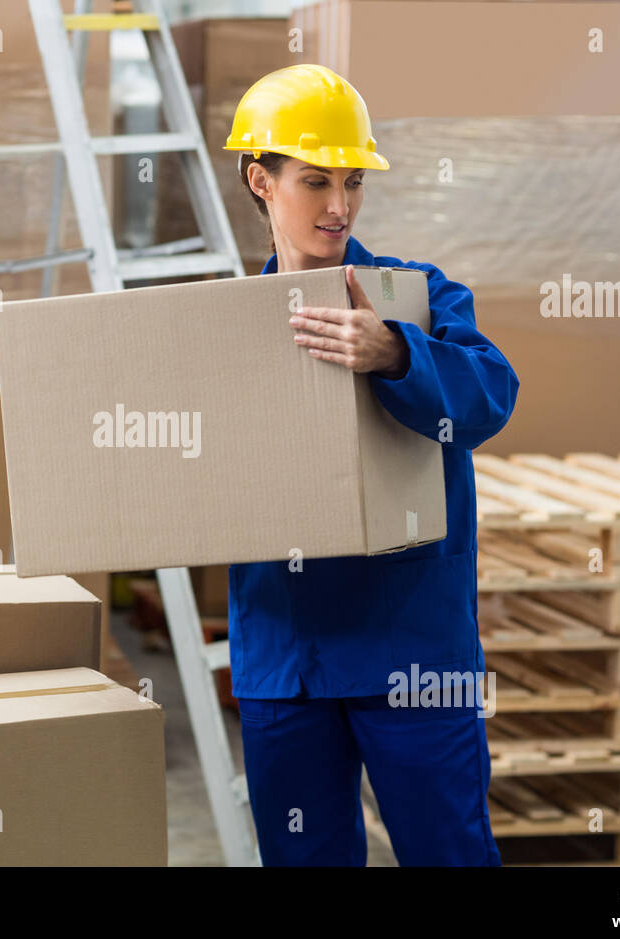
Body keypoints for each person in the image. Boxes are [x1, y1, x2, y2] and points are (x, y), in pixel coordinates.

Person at [221, 64, 519, 866]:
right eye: (315, 181)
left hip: (415, 649)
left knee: (449, 852)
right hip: (286, 656)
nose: (339, 205)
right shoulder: (218, 329)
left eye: (352, 181)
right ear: (262, 180)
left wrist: (395, 353)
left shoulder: (420, 297)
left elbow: (491, 397)